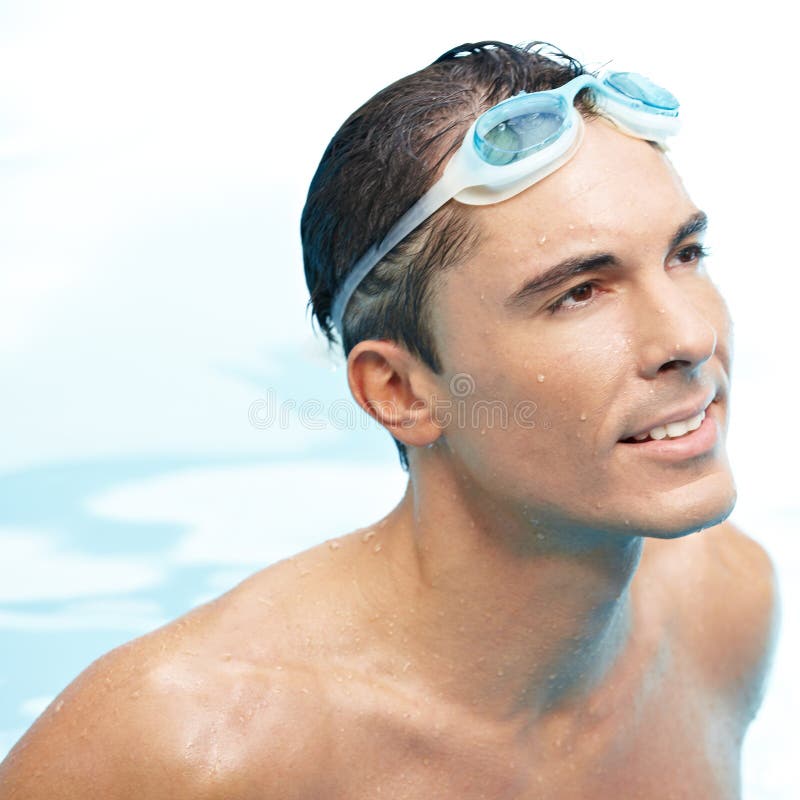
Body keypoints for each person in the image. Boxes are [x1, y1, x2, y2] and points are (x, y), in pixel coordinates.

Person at [0, 40, 780, 799]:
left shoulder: (722, 610)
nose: (689, 336)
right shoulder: (186, 751)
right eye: (579, 291)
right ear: (400, 391)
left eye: (686, 253)